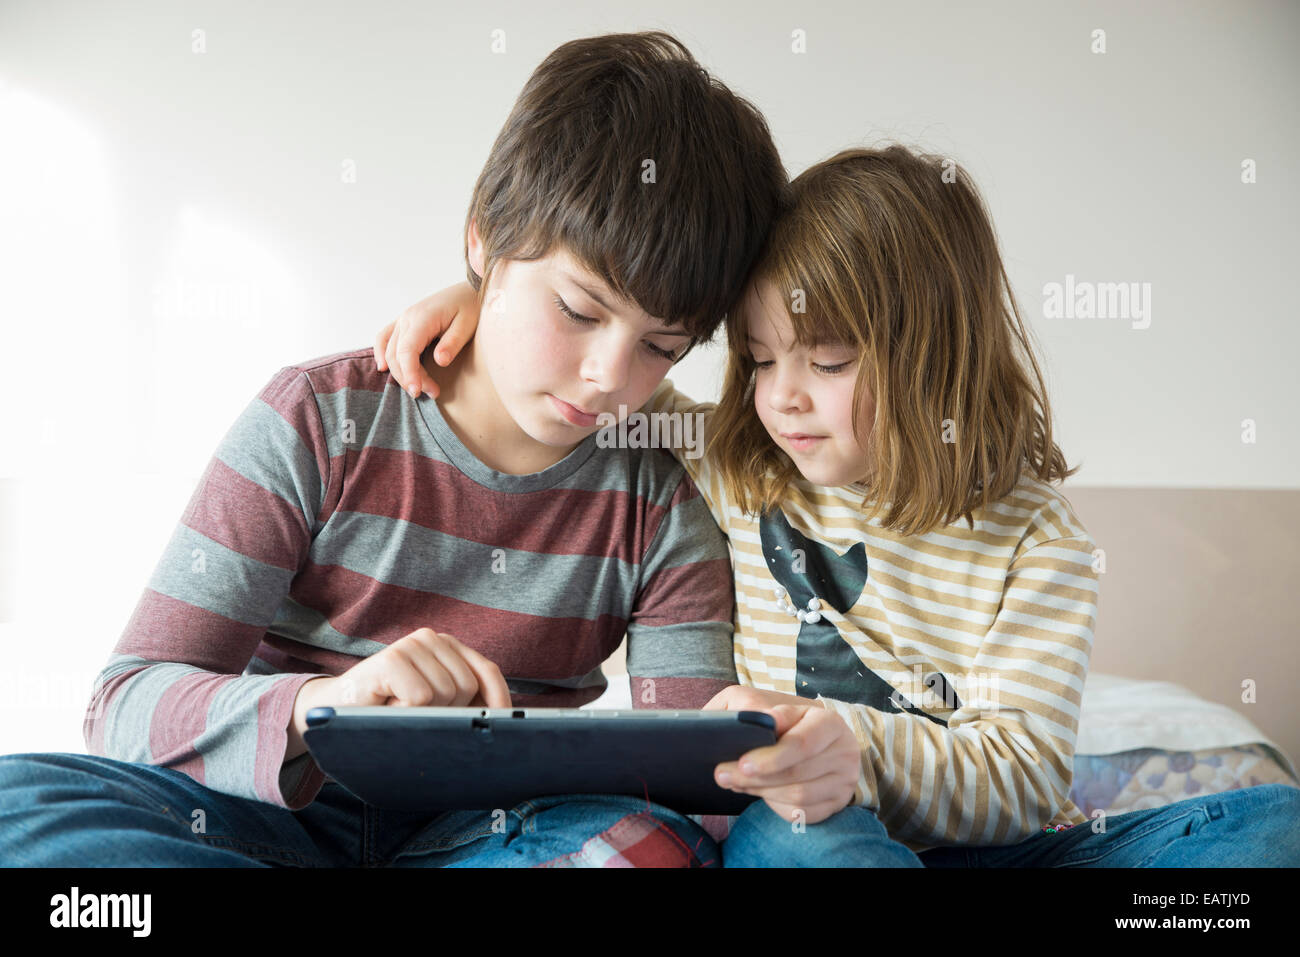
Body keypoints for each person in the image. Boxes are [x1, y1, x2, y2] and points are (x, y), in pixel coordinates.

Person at [373, 143, 1300, 866]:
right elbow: (597, 385)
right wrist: (485, 299)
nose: (782, 397)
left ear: (934, 355)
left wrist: (855, 748)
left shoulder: (1037, 541)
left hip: (999, 851)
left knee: (1272, 826)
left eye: (826, 361)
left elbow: (1021, 776)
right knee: (797, 839)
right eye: (759, 359)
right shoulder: (740, 463)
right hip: (809, 835)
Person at [0, 30, 790, 868]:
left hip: (495, 837)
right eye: (577, 309)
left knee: (645, 846)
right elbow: (125, 703)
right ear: (484, 239)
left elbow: (691, 782)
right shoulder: (317, 418)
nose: (608, 377)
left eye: (662, 348)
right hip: (270, 816)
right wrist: (326, 707)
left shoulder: (661, 505)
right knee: (21, 805)